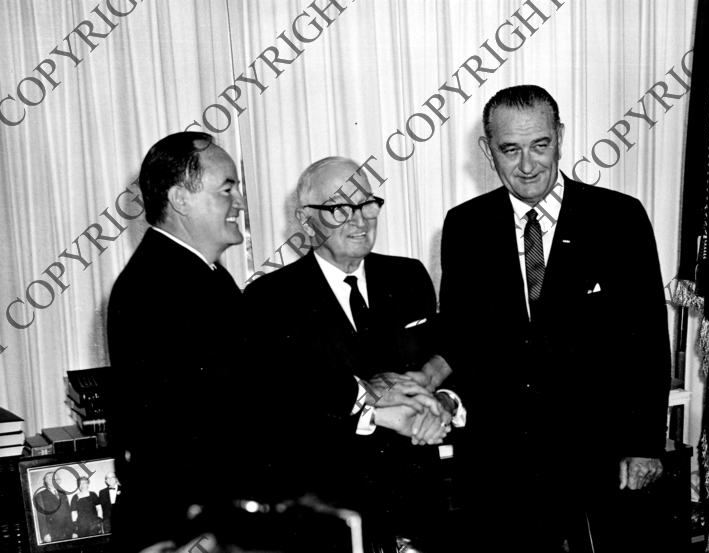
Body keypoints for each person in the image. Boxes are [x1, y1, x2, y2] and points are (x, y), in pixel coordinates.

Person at [438, 85, 671, 551]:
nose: (527, 165)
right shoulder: (465, 226)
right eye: (510, 149)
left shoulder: (619, 218)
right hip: (504, 458)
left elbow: (647, 339)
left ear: (560, 137)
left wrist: (644, 443)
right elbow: (460, 339)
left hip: (601, 455)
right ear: (488, 152)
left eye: (540, 145)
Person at [243, 157, 463, 550]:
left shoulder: (409, 276)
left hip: (421, 504)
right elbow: (281, 414)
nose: (359, 220)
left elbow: (445, 359)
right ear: (305, 219)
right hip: (333, 515)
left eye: (366, 205)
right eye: (338, 209)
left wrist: (443, 404)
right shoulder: (270, 300)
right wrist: (380, 416)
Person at [107, 132, 247, 552]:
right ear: (180, 200)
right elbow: (179, 431)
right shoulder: (154, 287)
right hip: (184, 528)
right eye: (227, 189)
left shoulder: (203, 274)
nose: (239, 202)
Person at [34, 472, 72, 543]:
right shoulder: (40, 495)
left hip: (67, 531)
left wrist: (72, 530)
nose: (58, 481)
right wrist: (45, 534)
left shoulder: (63, 494)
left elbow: (68, 513)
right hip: (52, 533)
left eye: (58, 479)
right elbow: (40, 517)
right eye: (55, 479)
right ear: (47, 480)